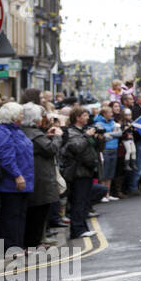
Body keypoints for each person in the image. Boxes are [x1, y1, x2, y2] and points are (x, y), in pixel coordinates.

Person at [0, 102, 34, 256]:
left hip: (24, 179)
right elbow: (6, 158)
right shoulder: (2, 132)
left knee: (20, 214)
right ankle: (10, 248)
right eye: (20, 113)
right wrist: (17, 175)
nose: (23, 116)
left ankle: (18, 245)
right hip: (12, 181)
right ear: (13, 116)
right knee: (11, 214)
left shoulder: (17, 131)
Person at [21, 104, 60, 247]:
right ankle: (34, 242)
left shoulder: (30, 132)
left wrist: (46, 135)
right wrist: (57, 137)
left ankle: (36, 241)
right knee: (38, 212)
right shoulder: (34, 134)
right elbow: (51, 149)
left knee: (37, 212)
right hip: (40, 176)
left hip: (35, 175)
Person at [60, 106, 101, 240]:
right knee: (78, 200)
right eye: (84, 115)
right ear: (77, 118)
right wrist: (86, 136)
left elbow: (98, 148)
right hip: (78, 172)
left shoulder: (84, 131)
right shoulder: (71, 131)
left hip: (88, 170)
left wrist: (99, 138)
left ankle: (82, 228)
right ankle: (77, 229)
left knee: (83, 201)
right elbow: (76, 147)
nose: (87, 118)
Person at [92, 103, 123, 202]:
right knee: (104, 173)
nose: (111, 114)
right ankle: (102, 194)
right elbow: (102, 135)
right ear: (104, 114)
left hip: (114, 148)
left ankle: (108, 193)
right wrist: (111, 134)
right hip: (105, 149)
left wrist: (109, 134)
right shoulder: (98, 123)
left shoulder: (113, 122)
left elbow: (119, 133)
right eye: (109, 113)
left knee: (110, 173)